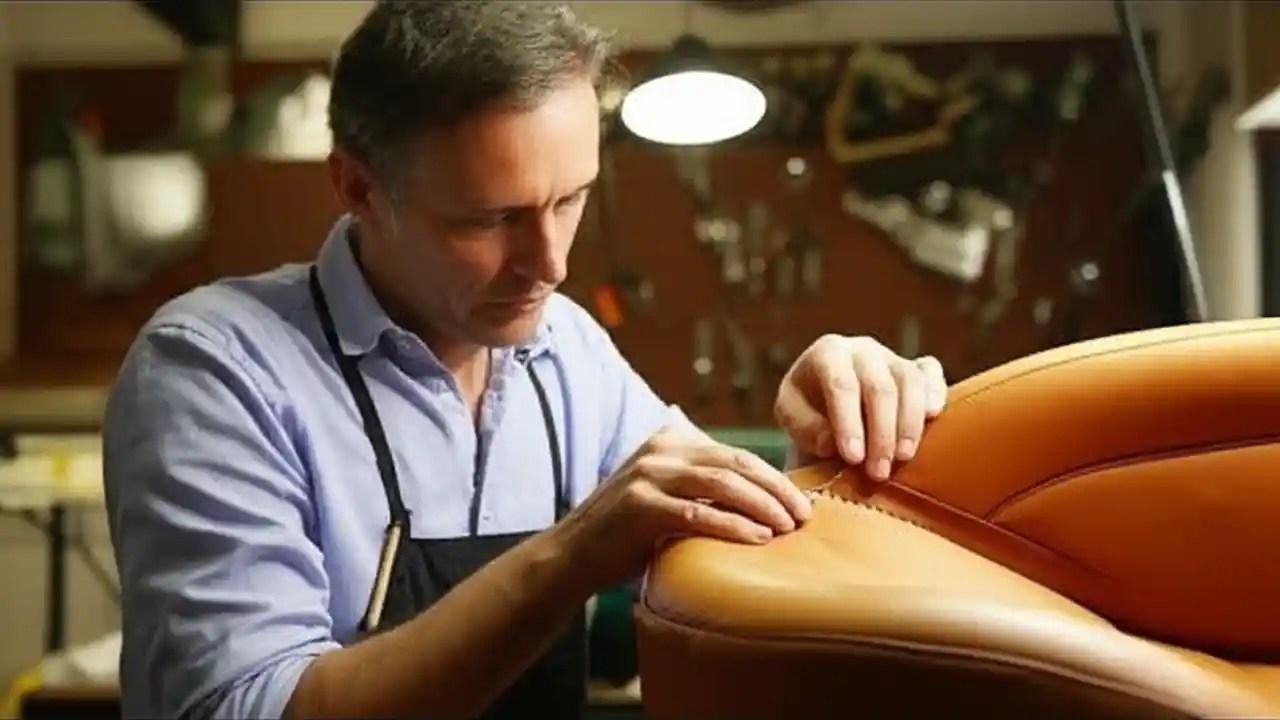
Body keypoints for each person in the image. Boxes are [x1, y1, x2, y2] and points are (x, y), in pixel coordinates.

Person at [101, 2, 950, 719]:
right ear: (359, 188)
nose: (550, 264)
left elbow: (725, 553)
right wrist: (573, 555)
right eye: (491, 220)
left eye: (571, 200)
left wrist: (818, 453)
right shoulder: (217, 371)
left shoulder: (564, 351)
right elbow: (249, 707)